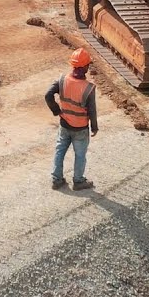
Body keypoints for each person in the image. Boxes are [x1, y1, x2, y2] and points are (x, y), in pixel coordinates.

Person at [45, 48, 98, 191]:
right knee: (80, 155)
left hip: (64, 125)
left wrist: (57, 111)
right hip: (80, 128)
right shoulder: (89, 88)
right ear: (86, 67)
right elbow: (92, 110)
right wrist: (94, 127)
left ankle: (57, 180)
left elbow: (48, 95)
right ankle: (78, 181)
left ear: (73, 65)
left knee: (59, 151)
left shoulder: (62, 80)